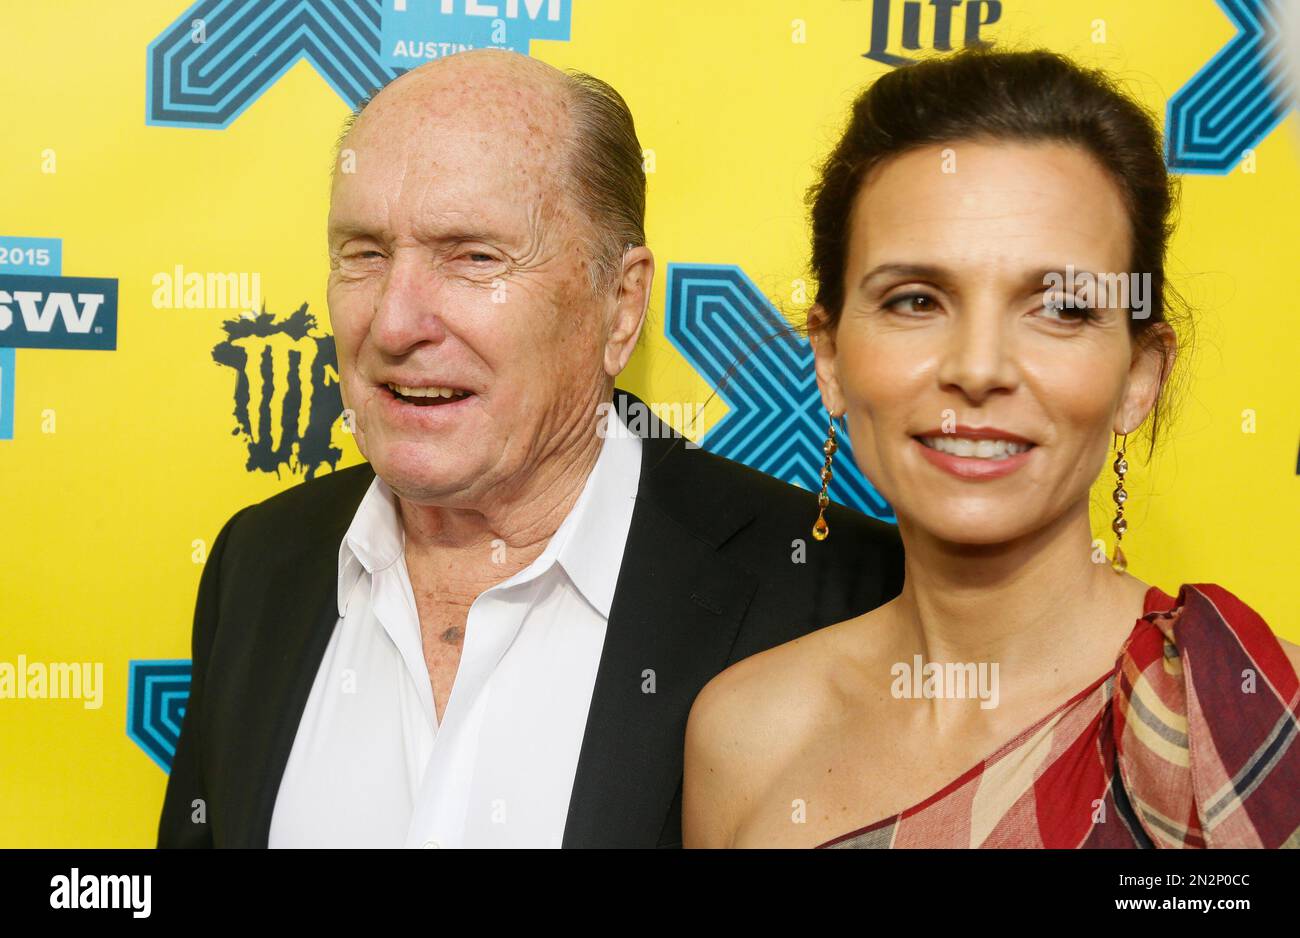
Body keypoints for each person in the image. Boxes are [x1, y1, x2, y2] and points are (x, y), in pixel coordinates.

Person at [156, 49, 903, 848]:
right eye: (365, 254)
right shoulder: (262, 562)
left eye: (474, 258)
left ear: (622, 306)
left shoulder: (834, 597)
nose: (395, 323)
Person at [683, 47, 1300, 849]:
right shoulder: (745, 737)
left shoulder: (1235, 716)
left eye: (1062, 308)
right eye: (915, 300)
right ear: (829, 361)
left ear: (1140, 375)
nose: (978, 370)